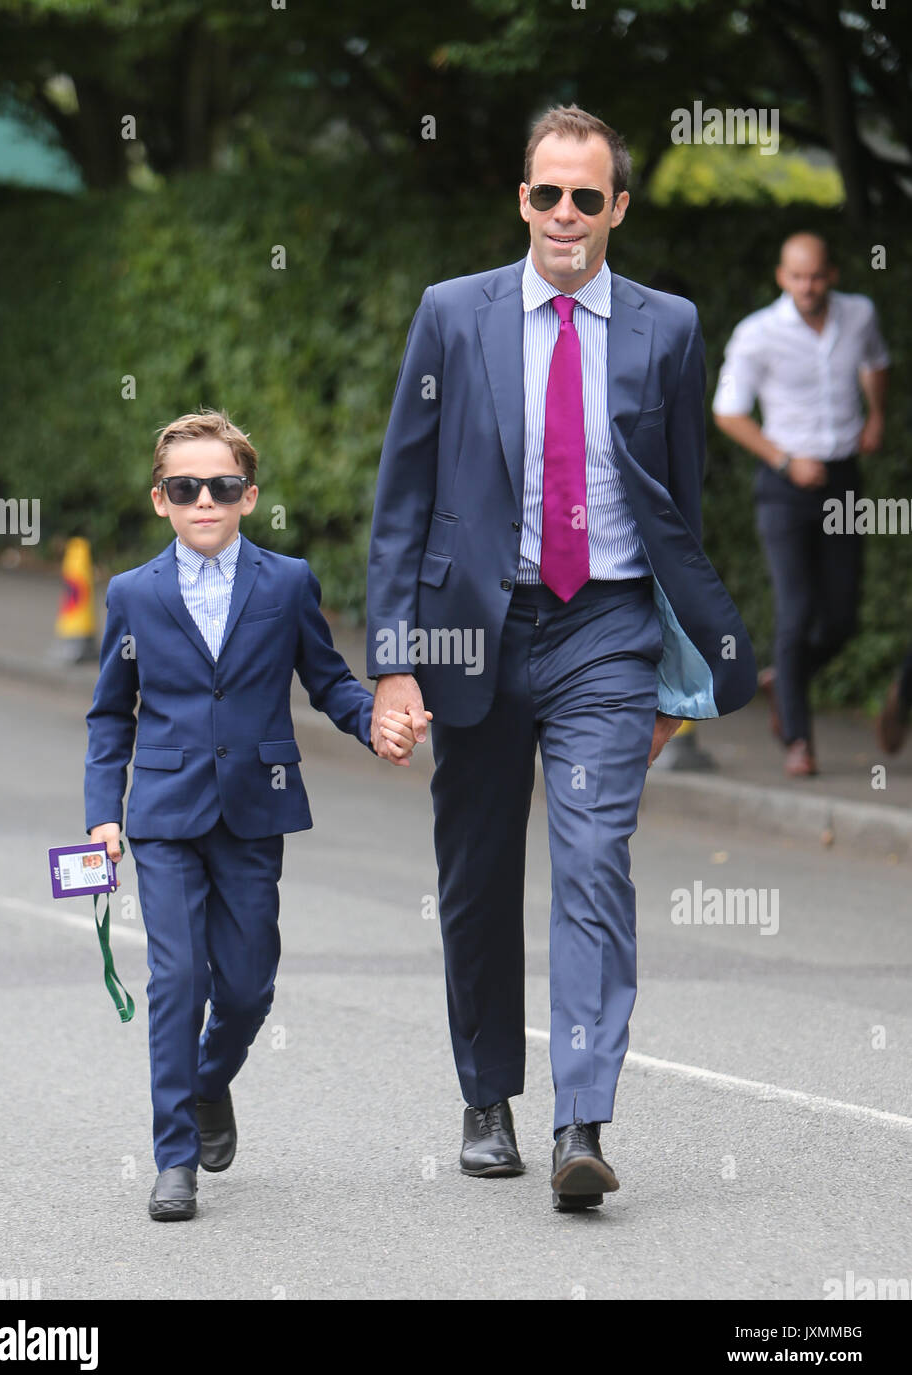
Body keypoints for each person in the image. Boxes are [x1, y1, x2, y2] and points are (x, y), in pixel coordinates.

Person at [366, 104, 756, 1211]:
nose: (566, 216)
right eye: (549, 195)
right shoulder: (452, 315)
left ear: (617, 207)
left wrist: (682, 666)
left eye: (588, 198)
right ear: (522, 198)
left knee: (594, 866)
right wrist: (394, 659)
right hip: (474, 630)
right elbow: (401, 500)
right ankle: (485, 1095)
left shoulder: (668, 327)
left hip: (608, 631)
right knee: (477, 875)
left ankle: (581, 1117)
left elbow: (679, 507)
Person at [85, 409, 414, 1222]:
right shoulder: (131, 594)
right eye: (185, 487)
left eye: (221, 486)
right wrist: (102, 814)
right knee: (178, 980)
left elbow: (327, 678)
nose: (205, 500)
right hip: (162, 815)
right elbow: (109, 716)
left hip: (253, 812)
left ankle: (207, 1084)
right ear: (160, 498)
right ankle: (174, 1159)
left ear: (248, 495)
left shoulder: (286, 581)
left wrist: (374, 719)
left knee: (246, 985)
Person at [713, 233, 890, 776]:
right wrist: (784, 459)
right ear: (781, 277)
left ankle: (781, 681)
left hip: (842, 480)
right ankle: (799, 742)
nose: (806, 287)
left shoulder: (859, 315)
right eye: (796, 277)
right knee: (796, 612)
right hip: (785, 485)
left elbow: (876, 361)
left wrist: (877, 414)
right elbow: (729, 411)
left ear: (831, 274)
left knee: (840, 618)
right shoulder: (758, 334)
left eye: (815, 276)